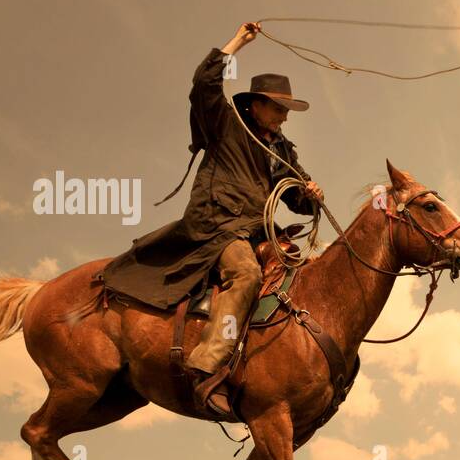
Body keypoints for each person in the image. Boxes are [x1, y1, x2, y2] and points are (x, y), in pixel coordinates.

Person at [101, 22, 324, 419]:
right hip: (218, 225)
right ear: (255, 104)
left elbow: (296, 198)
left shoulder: (282, 150)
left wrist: (311, 196)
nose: (284, 117)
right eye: (277, 108)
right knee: (247, 276)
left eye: (286, 111)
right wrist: (238, 41)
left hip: (258, 231)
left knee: (299, 275)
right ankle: (207, 367)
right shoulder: (226, 124)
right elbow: (204, 83)